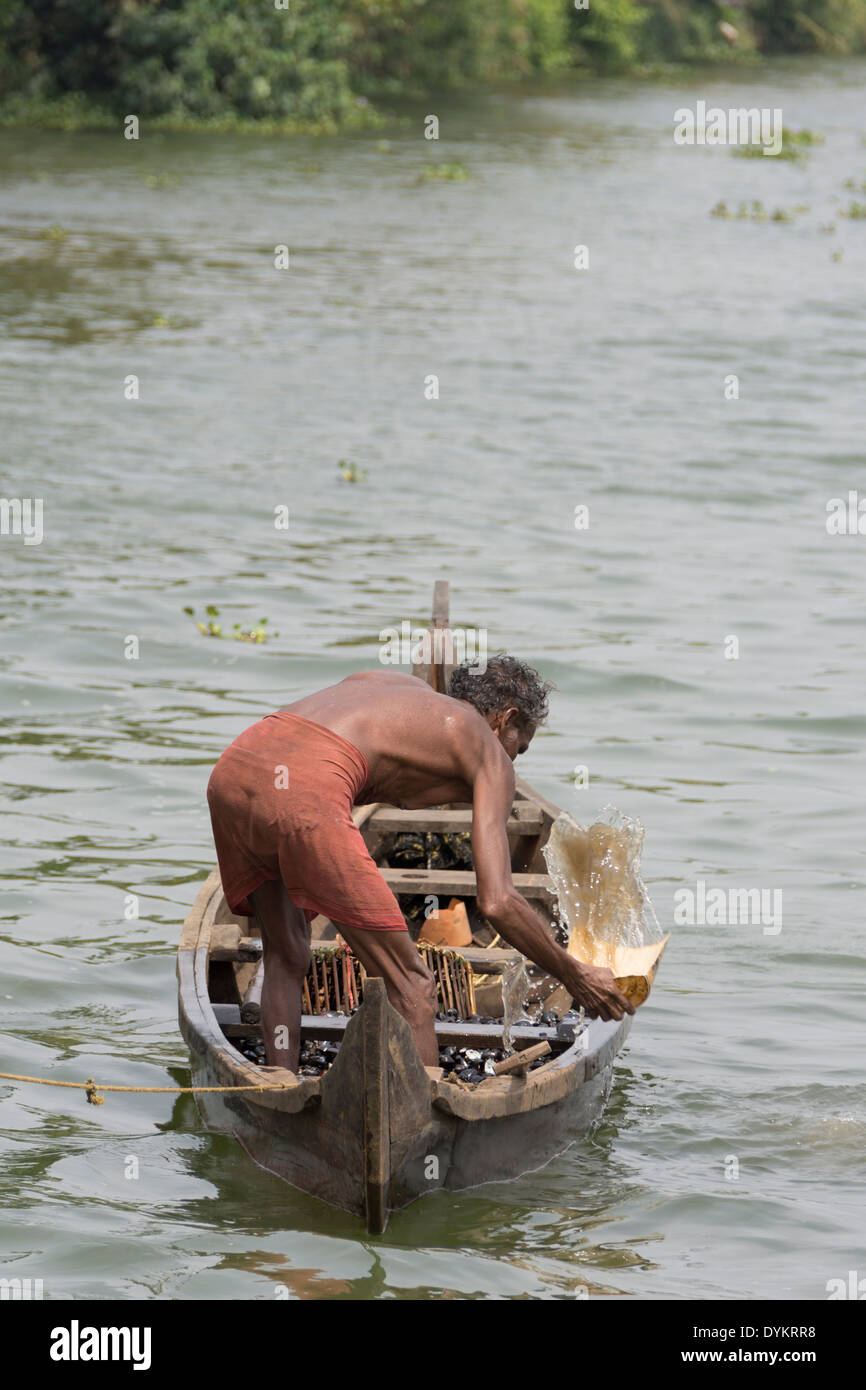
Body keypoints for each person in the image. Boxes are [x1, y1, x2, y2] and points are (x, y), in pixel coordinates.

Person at [206, 657, 634, 1070]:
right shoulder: (487, 751)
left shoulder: (391, 687)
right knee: (412, 986)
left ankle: (279, 1081)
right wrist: (574, 973)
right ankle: (424, 1118)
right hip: (306, 791)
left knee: (285, 954)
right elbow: (498, 902)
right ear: (506, 718)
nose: (513, 763)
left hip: (235, 768)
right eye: (519, 749)